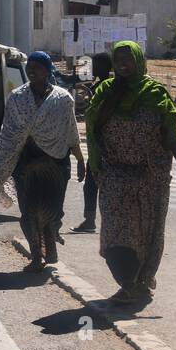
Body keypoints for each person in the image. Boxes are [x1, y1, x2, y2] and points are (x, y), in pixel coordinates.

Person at [84, 41, 176, 304]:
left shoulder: (155, 94)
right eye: (118, 59)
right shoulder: (105, 91)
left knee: (148, 233)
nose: (122, 64)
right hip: (114, 178)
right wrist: (92, 164)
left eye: (128, 58)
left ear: (139, 61)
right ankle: (128, 282)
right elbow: (92, 128)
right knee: (115, 235)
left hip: (150, 179)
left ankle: (141, 281)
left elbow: (171, 133)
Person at [0, 51, 85, 272]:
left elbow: (71, 133)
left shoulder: (62, 99)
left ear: (48, 70)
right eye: (29, 66)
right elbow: (9, 132)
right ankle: (36, 256)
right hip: (25, 167)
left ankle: (50, 245)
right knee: (28, 214)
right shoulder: (16, 97)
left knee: (51, 213)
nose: (32, 70)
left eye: (38, 67)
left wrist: (81, 160)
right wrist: (2, 162)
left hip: (54, 166)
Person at [72, 51, 115, 233]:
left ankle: (96, 222)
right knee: (92, 185)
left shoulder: (107, 87)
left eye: (96, 65)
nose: (93, 68)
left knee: (96, 186)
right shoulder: (98, 85)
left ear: (105, 67)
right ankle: (91, 221)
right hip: (97, 146)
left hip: (105, 146)